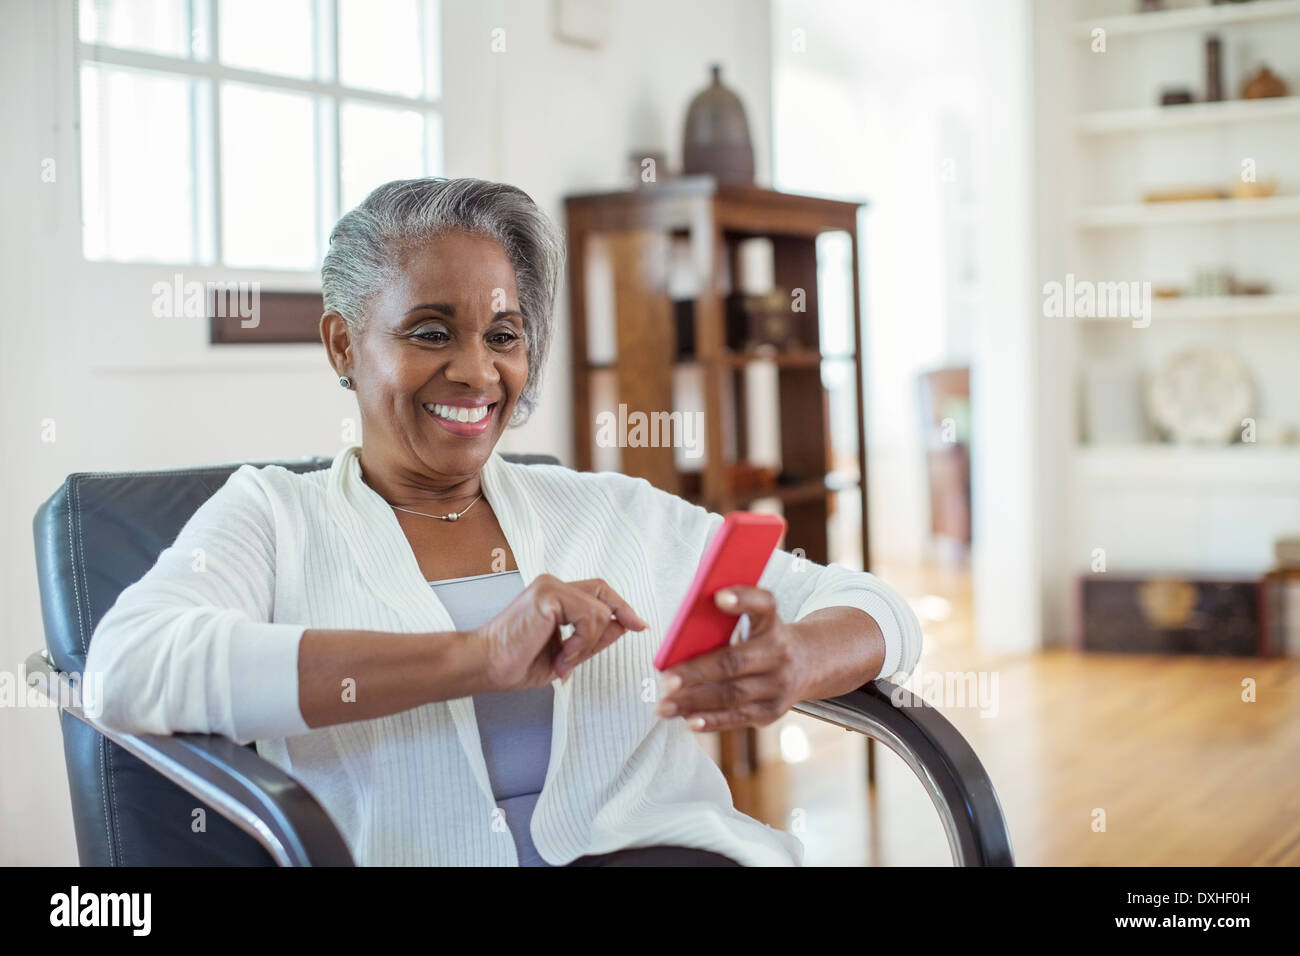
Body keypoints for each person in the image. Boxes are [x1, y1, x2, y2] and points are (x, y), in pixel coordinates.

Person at [85, 177, 923, 866]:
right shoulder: (273, 516)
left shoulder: (605, 510)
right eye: (430, 331)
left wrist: (798, 658)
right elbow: (125, 667)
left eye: (503, 334)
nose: (477, 371)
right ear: (343, 345)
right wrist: (476, 656)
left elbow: (878, 609)